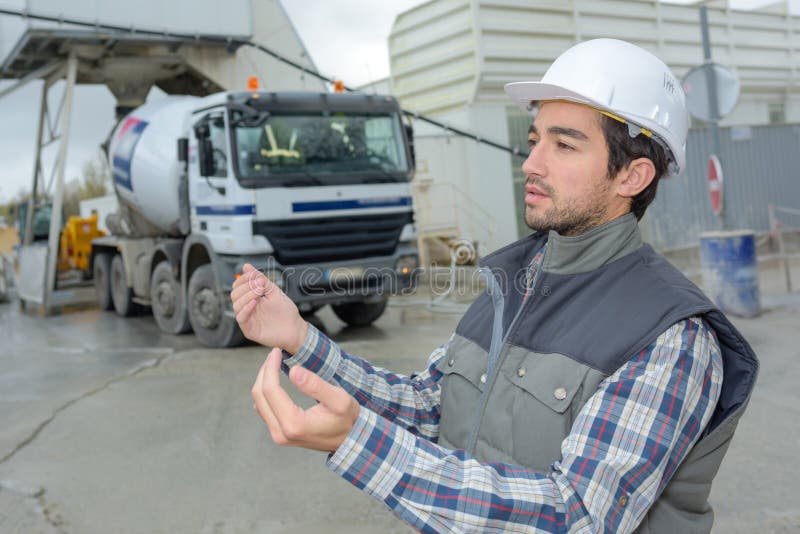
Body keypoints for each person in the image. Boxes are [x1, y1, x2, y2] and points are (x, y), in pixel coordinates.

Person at [231, 39, 758, 533]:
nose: (531, 163)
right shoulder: (516, 281)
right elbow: (430, 408)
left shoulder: (670, 335)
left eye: (564, 145)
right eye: (534, 141)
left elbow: (576, 514)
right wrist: (301, 338)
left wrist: (361, 443)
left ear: (632, 177)